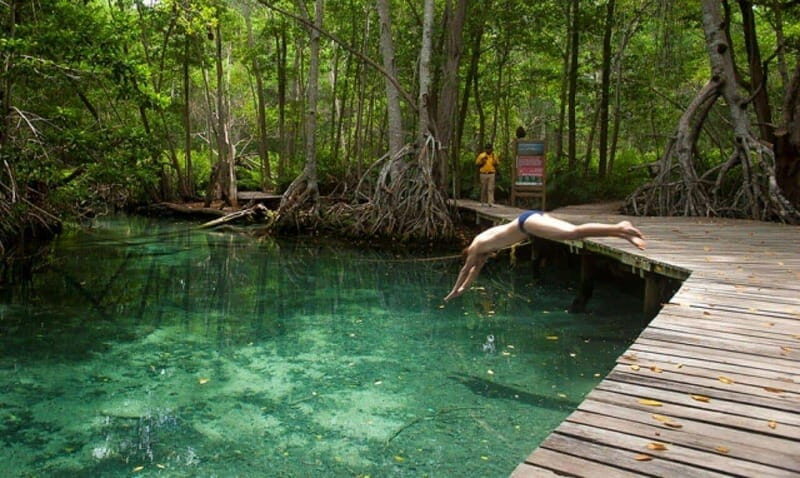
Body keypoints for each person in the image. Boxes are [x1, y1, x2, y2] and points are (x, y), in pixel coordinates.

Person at [444, 210, 646, 301]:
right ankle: (622, 233)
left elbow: (466, 270)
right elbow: (473, 273)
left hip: (526, 224)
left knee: (573, 233)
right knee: (573, 232)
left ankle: (620, 228)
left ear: (468, 254)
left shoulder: (475, 247)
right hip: (529, 219)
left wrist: (453, 291)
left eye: (475, 260)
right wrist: (462, 290)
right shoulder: (482, 248)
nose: (480, 262)